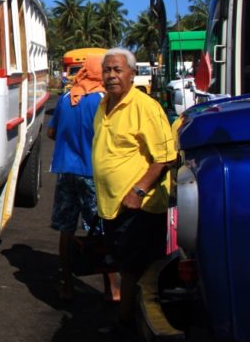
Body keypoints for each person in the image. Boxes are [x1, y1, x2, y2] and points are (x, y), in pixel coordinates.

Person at [92, 47, 176, 328]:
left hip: (139, 206)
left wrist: (138, 190)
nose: (112, 75)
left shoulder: (145, 107)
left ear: (132, 73)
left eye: (118, 70)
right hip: (113, 204)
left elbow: (165, 157)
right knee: (123, 262)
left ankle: (127, 324)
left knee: (134, 269)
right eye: (107, 70)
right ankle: (128, 318)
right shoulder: (104, 104)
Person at [47, 54, 119, 302]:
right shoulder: (104, 99)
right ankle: (112, 289)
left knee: (66, 230)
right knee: (102, 232)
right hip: (93, 174)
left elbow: (51, 132)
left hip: (66, 171)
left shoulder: (67, 97)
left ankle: (66, 285)